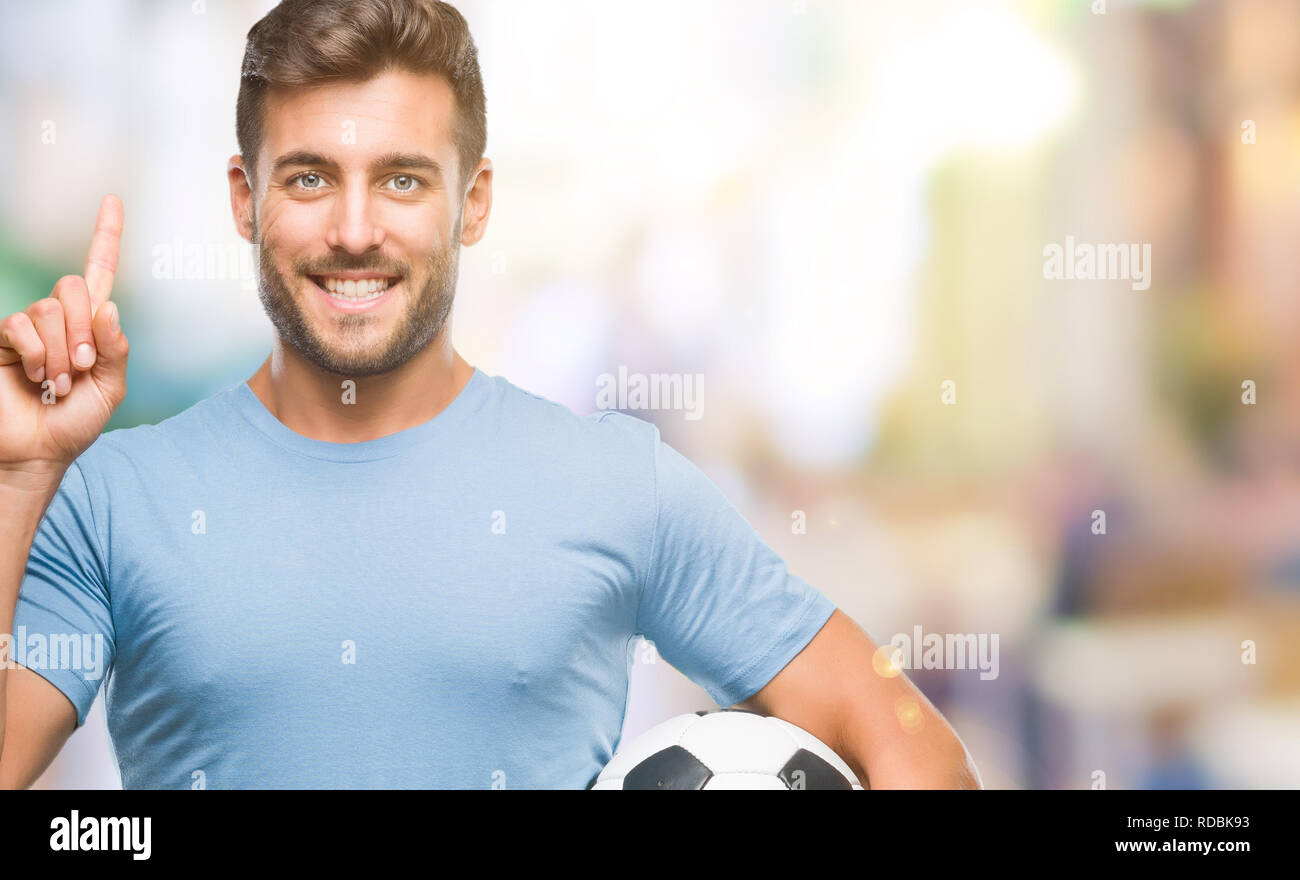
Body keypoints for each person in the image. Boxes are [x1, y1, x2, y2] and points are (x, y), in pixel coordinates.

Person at [0, 0, 979, 789]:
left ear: (472, 202)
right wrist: (20, 476)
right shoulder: (111, 497)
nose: (353, 228)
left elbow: (912, 748)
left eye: (402, 181)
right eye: (308, 179)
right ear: (243, 199)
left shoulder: (616, 484)